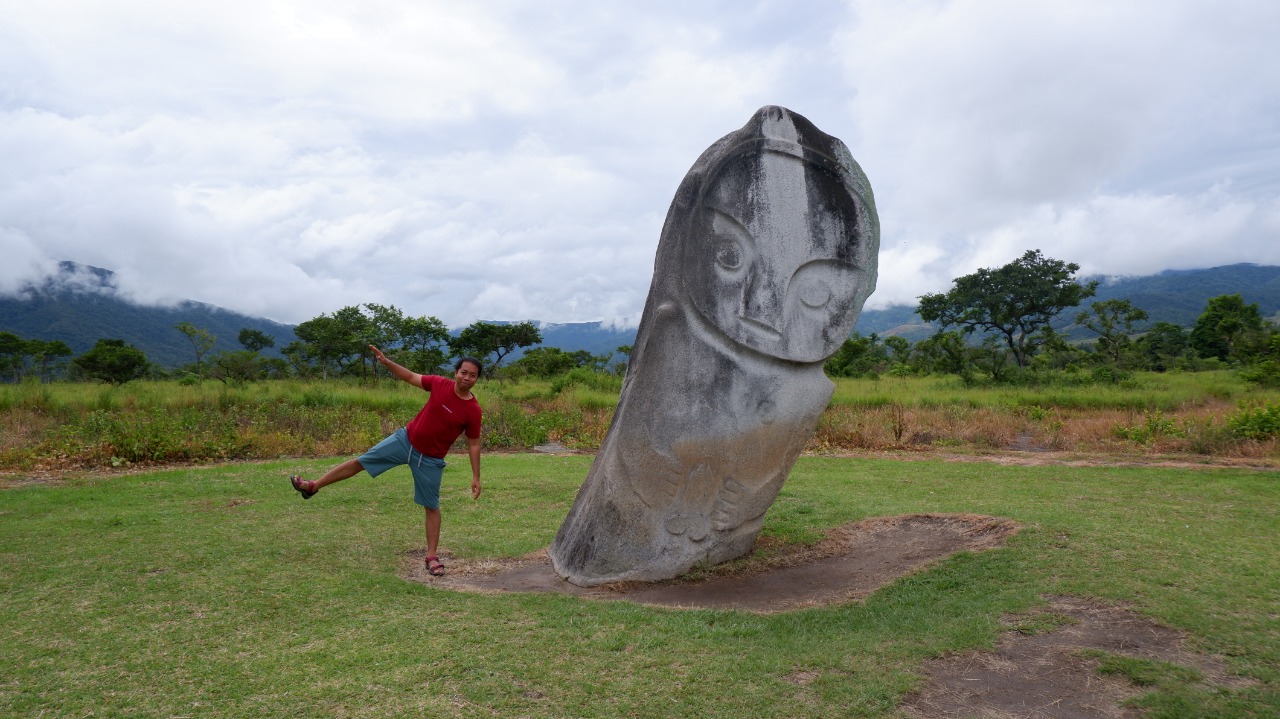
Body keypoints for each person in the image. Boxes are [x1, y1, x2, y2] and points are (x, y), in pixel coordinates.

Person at [290, 346, 483, 576]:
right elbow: (410, 376)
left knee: (431, 506)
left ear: (476, 379)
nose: (467, 377)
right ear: (456, 373)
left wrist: (476, 476)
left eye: (472, 375)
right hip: (405, 440)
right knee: (360, 462)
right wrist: (386, 362)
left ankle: (431, 556)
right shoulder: (439, 384)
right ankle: (313, 486)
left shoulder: (473, 410)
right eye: (464, 372)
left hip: (430, 459)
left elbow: (473, 443)